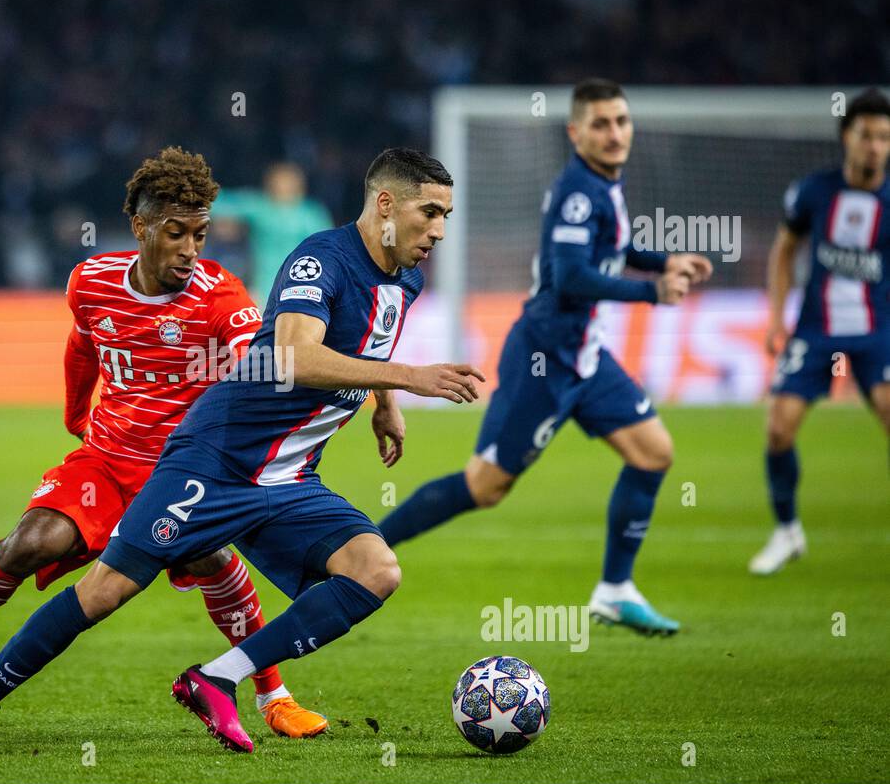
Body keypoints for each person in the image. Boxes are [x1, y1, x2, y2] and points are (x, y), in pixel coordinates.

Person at [0, 147, 483, 754]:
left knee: (377, 571)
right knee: (105, 591)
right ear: (388, 204)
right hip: (215, 459)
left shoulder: (408, 278)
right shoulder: (322, 259)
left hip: (288, 479)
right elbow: (291, 356)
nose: (440, 231)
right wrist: (410, 377)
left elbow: (367, 342)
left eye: (447, 215)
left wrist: (385, 406)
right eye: (431, 213)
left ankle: (217, 678)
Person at [0, 147, 328, 739]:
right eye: (175, 232)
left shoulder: (223, 299)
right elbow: (82, 348)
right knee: (26, 544)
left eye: (200, 234)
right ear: (140, 227)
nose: (189, 249)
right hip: (107, 459)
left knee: (209, 558)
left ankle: (274, 696)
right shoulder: (92, 280)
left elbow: (261, 366)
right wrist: (76, 412)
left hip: (181, 471)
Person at [379, 79, 713, 636]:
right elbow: (569, 275)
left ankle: (614, 590)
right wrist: (652, 293)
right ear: (575, 132)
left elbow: (610, 247)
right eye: (600, 124)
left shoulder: (606, 185)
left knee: (653, 453)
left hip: (588, 356)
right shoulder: (578, 191)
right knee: (485, 488)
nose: (613, 134)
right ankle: (364, 549)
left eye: (621, 122)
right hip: (546, 358)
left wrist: (662, 261)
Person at [750, 88, 890, 574]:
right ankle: (787, 532)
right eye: (866, 135)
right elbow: (784, 249)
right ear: (846, 137)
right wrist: (775, 318)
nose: (875, 146)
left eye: (884, 137)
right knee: (779, 428)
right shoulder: (813, 191)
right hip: (816, 330)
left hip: (878, 330)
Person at [212, 162, 333, 298]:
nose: (282, 187)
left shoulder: (310, 214)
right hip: (264, 288)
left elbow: (329, 250)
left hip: (301, 288)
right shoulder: (262, 206)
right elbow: (224, 204)